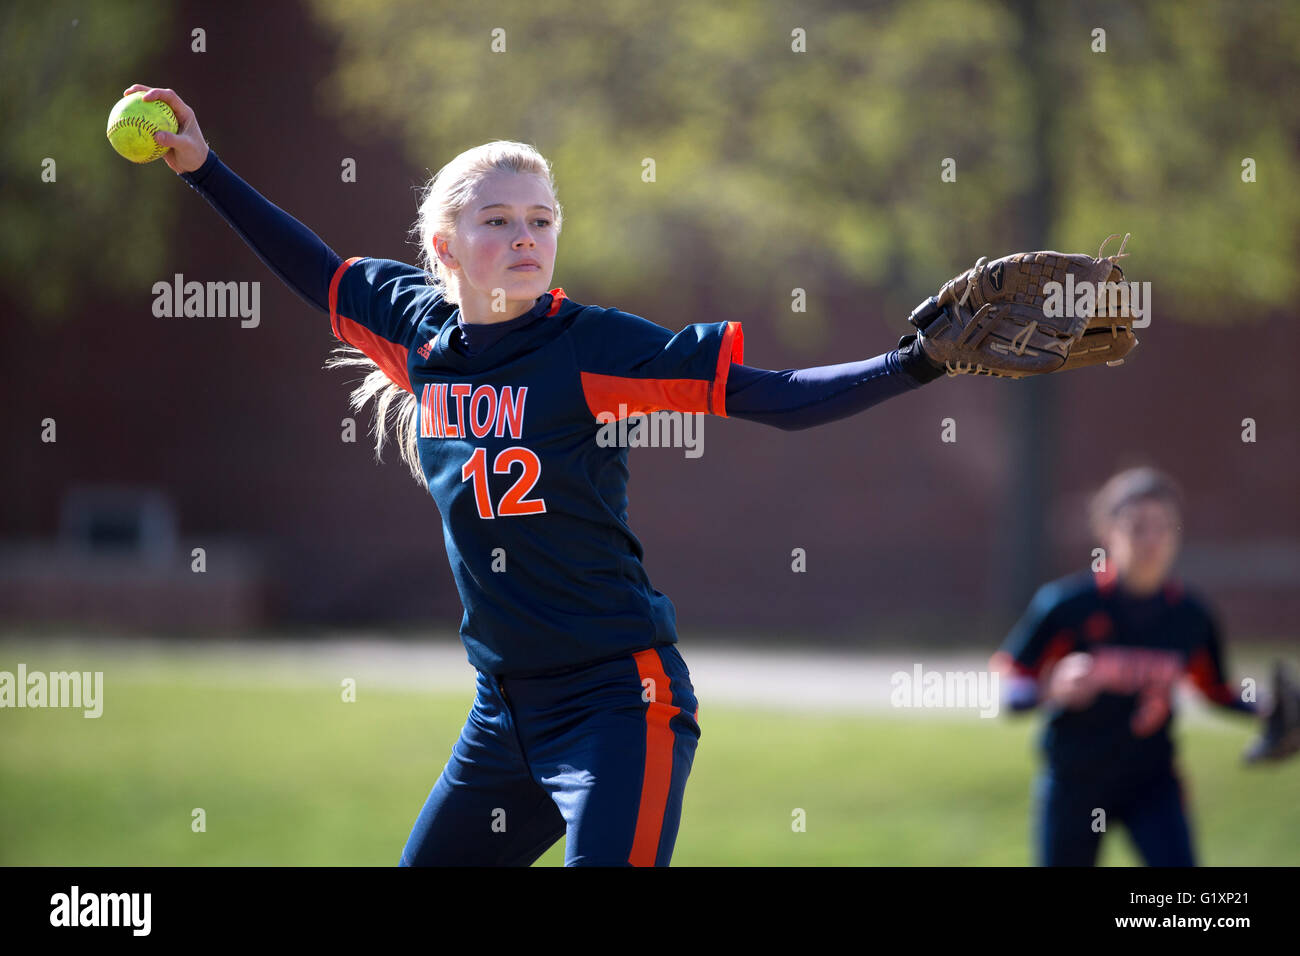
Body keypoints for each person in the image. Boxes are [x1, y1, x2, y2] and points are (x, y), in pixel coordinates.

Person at [127, 82, 965, 866]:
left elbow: (776, 397)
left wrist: (917, 361)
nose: (525, 237)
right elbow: (311, 267)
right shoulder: (417, 334)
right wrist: (202, 166)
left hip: (619, 705)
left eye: (541, 219)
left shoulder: (591, 347)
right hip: (501, 717)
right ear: (446, 247)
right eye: (497, 221)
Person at [991, 466, 1258, 866]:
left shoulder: (1191, 615)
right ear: (1107, 532)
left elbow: (1217, 690)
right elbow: (1012, 692)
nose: (1151, 540)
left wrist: (1267, 708)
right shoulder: (1067, 605)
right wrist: (1053, 689)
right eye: (1136, 527)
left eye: (1162, 527)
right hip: (1076, 780)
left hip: (1151, 781)